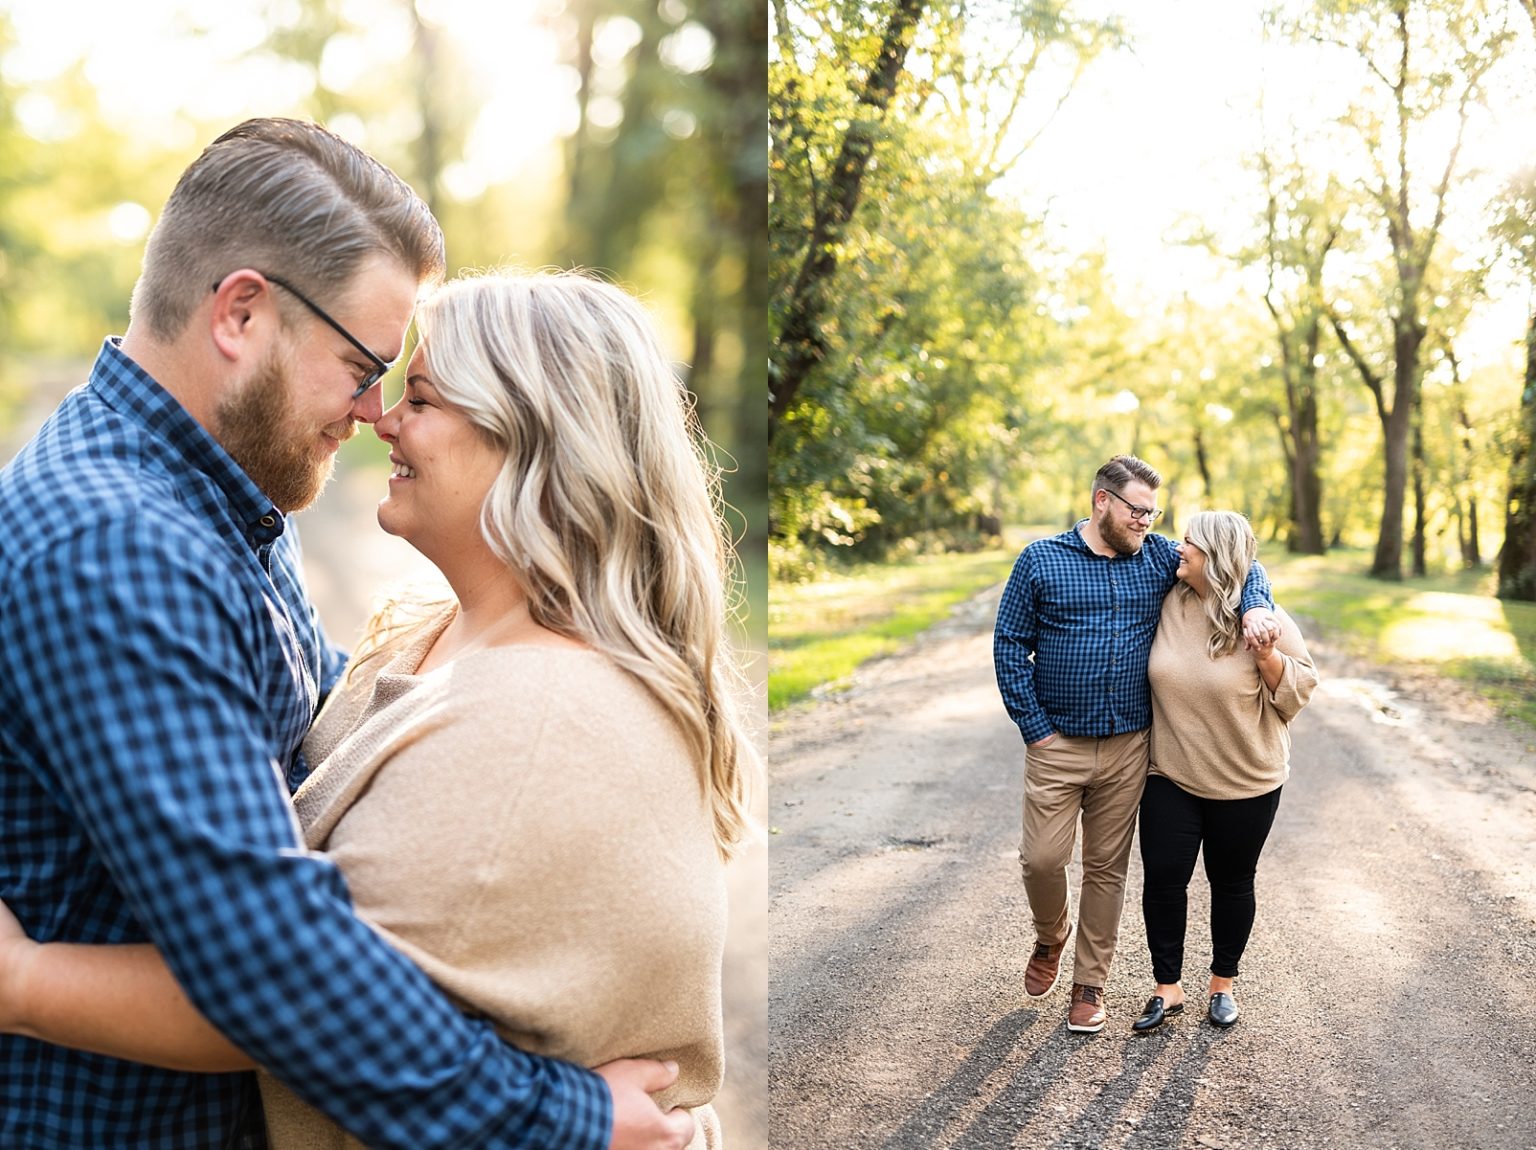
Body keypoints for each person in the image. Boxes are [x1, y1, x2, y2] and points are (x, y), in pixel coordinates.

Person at [0, 119, 698, 1150]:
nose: (374, 409)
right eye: (364, 363)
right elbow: (273, 954)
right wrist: (566, 1118)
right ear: (242, 313)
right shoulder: (121, 543)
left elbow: (323, 743)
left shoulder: (219, 499)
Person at [992, 455, 1281, 1034]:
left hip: (1131, 746)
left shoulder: (1156, 558)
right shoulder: (1041, 561)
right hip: (1057, 743)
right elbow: (1008, 647)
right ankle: (1051, 936)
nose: (1148, 523)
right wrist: (1036, 730)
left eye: (1155, 512)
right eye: (1138, 511)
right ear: (1102, 501)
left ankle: (1088, 985)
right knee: (1042, 859)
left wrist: (1255, 605)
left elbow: (1239, 562)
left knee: (1107, 869)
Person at [1130, 511, 1317, 1033]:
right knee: (1164, 880)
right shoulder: (1169, 600)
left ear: (1214, 554)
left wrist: (1267, 655)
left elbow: (1298, 693)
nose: (1178, 548)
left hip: (1246, 778)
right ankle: (1167, 989)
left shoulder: (1265, 618)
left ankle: (1222, 985)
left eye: (1190, 541)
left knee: (1232, 881)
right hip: (1171, 772)